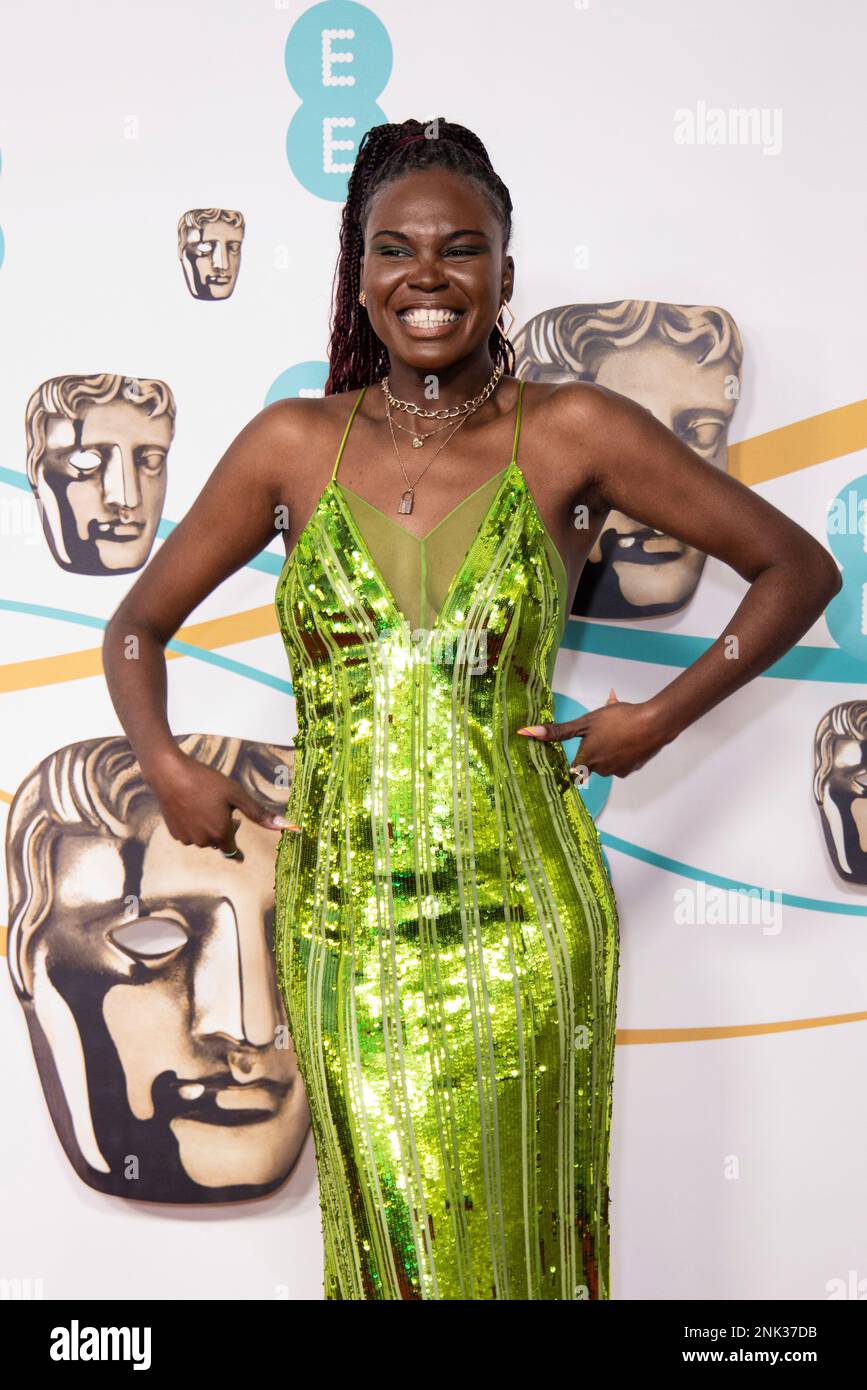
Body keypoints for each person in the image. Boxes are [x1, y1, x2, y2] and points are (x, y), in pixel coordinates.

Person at [102, 117, 842, 1300]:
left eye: (462, 248)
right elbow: (135, 627)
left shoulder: (571, 430)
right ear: (359, 271)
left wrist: (659, 716)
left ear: (506, 265)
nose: (428, 277)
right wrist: (165, 762)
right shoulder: (292, 444)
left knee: (518, 1239)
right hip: (346, 925)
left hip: (522, 919)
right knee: (391, 1248)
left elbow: (798, 567)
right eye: (395, 250)